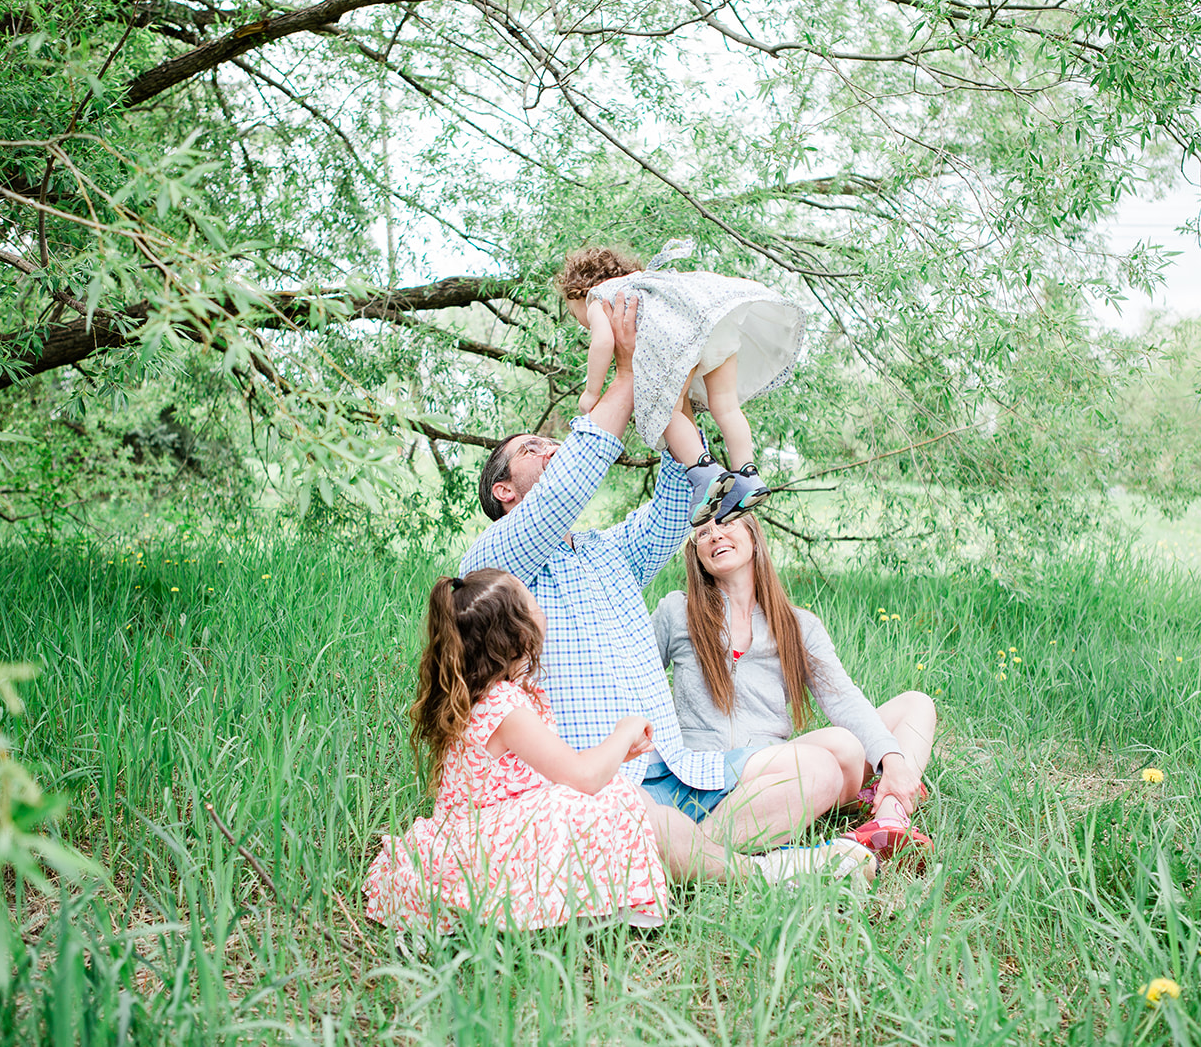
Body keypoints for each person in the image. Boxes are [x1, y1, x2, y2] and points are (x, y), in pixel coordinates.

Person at [463, 291, 873, 887]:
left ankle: (683, 857)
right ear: (505, 492)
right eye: (532, 450)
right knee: (655, 820)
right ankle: (757, 873)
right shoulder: (497, 566)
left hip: (676, 769)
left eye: (552, 442)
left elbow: (676, 500)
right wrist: (625, 372)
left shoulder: (606, 550)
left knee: (826, 764)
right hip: (601, 781)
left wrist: (668, 381)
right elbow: (568, 484)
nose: (550, 448)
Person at [363, 569, 668, 932]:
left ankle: (586, 902)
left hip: (470, 839)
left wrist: (615, 755)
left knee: (593, 788)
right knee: (610, 793)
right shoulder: (506, 706)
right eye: (531, 602)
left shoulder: (480, 693)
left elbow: (549, 770)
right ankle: (601, 908)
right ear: (518, 633)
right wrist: (626, 729)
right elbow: (582, 777)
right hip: (480, 849)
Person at [653, 514, 937, 858]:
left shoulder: (798, 625)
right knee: (840, 748)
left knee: (915, 705)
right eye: (703, 532)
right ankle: (694, 848)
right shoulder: (677, 611)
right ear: (696, 553)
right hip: (701, 771)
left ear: (754, 536)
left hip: (769, 764)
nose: (714, 535)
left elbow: (842, 698)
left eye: (726, 523)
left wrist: (891, 760)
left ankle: (890, 816)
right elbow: (630, 681)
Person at [554, 243, 804, 526]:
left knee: (665, 409)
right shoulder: (646, 282)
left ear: (579, 292)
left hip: (678, 338)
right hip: (716, 324)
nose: (582, 322)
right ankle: (747, 475)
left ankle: (705, 472)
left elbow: (602, 341)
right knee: (727, 406)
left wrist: (591, 393)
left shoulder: (600, 298)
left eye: (576, 316)